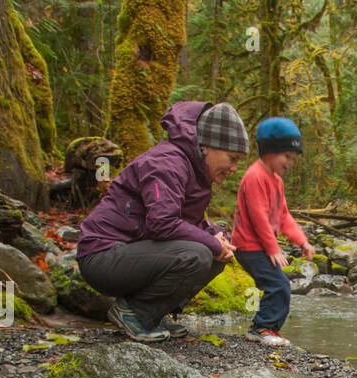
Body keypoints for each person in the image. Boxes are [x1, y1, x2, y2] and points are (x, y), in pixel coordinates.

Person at [76, 101, 248, 342]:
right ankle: (134, 313)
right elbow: (162, 223)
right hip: (102, 255)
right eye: (232, 158)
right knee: (198, 253)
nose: (234, 168)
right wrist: (210, 242)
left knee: (215, 256)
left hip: (133, 253)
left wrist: (218, 238)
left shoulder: (194, 169)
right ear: (208, 146)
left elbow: (191, 223)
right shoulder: (167, 162)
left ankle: (153, 314)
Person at [231, 116, 315, 347]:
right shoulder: (255, 176)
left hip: (259, 245)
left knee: (277, 285)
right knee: (278, 285)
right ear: (269, 151)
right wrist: (273, 247)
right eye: (286, 156)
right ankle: (262, 328)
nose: (290, 162)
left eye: (293, 158)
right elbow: (258, 217)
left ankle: (267, 328)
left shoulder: (276, 179)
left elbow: (284, 216)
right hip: (249, 246)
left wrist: (302, 242)